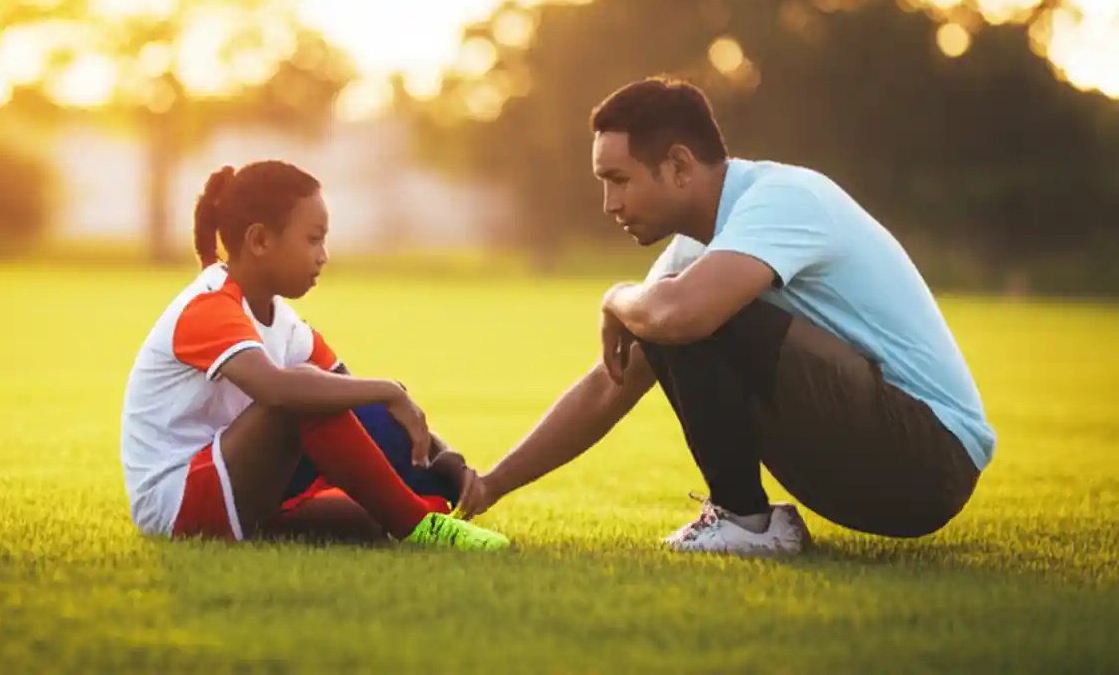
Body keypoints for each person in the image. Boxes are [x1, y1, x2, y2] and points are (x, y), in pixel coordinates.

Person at [457, 77, 995, 555]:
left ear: (679, 166)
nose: (608, 203)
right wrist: (491, 484)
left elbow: (678, 316)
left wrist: (615, 296)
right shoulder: (697, 255)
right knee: (667, 308)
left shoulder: (784, 198)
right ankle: (748, 520)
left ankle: (745, 522)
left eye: (618, 179)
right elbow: (609, 385)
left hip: (928, 457)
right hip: (864, 468)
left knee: (677, 309)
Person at [121, 160, 509, 550]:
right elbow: (279, 392)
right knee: (304, 394)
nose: (323, 256)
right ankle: (420, 527)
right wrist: (391, 389)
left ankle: (426, 505)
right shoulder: (208, 306)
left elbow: (355, 406)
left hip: (236, 483)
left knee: (366, 520)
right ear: (259, 241)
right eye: (313, 240)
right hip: (176, 503)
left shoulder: (284, 323)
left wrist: (450, 463)